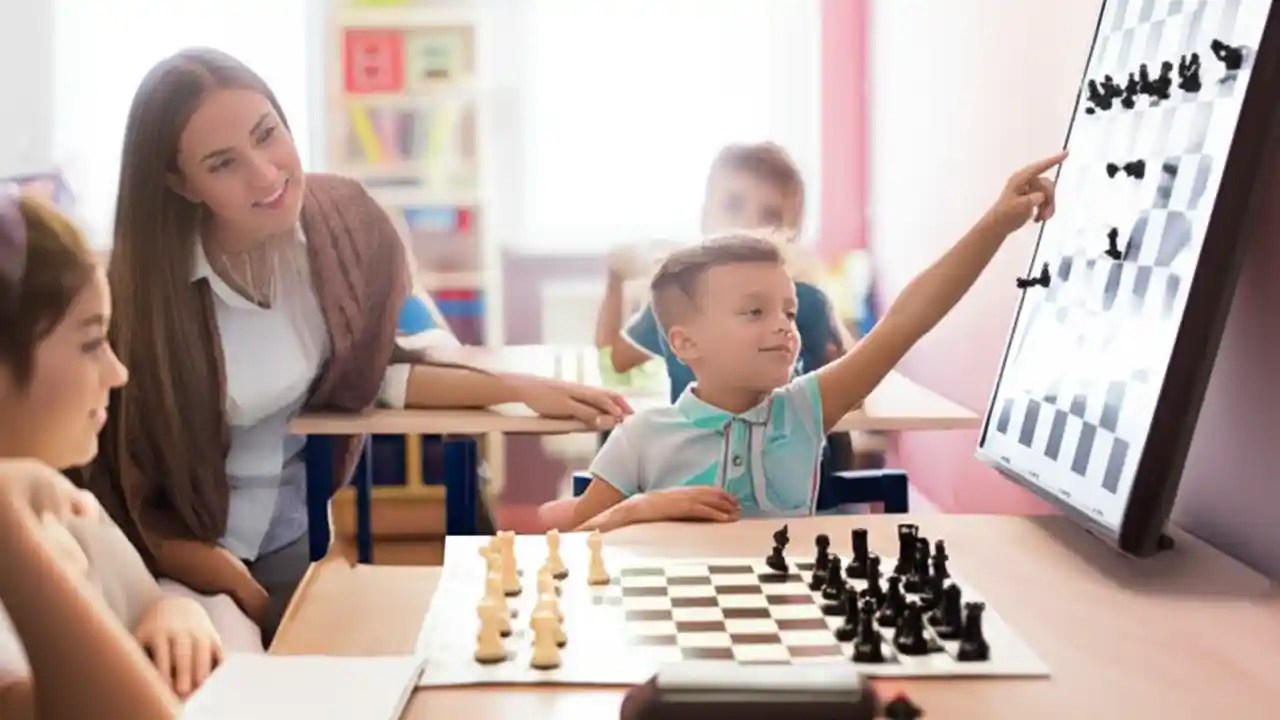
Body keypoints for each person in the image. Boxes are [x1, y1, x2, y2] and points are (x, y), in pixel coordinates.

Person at [78, 47, 631, 647]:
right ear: (179, 184)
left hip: (288, 534)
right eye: (222, 164)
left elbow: (384, 376)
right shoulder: (147, 298)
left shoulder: (336, 232)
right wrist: (227, 583)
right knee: (234, 675)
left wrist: (521, 391)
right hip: (182, 553)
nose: (265, 174)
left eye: (268, 134)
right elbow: (128, 475)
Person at [568, 151, 1066, 531]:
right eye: (755, 312)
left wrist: (996, 225)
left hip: (787, 616)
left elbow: (906, 321)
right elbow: (567, 532)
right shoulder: (640, 437)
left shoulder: (804, 410)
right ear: (684, 343)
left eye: (788, 310)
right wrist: (643, 507)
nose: (786, 326)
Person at [0, 192, 231, 712]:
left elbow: (149, 600)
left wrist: (176, 612)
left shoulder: (68, 511)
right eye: (90, 343)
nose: (118, 373)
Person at [595, 142, 853, 398]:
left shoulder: (805, 302)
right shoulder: (678, 299)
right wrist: (615, 278)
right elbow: (614, 361)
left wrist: (826, 309)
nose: (747, 225)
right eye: (732, 206)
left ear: (791, 236)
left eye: (770, 218)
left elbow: (854, 384)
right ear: (705, 216)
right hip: (700, 440)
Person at [0, 459, 181, 720]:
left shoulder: (74, 506)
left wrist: (175, 610)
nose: (108, 415)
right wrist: (9, 521)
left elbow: (147, 599)